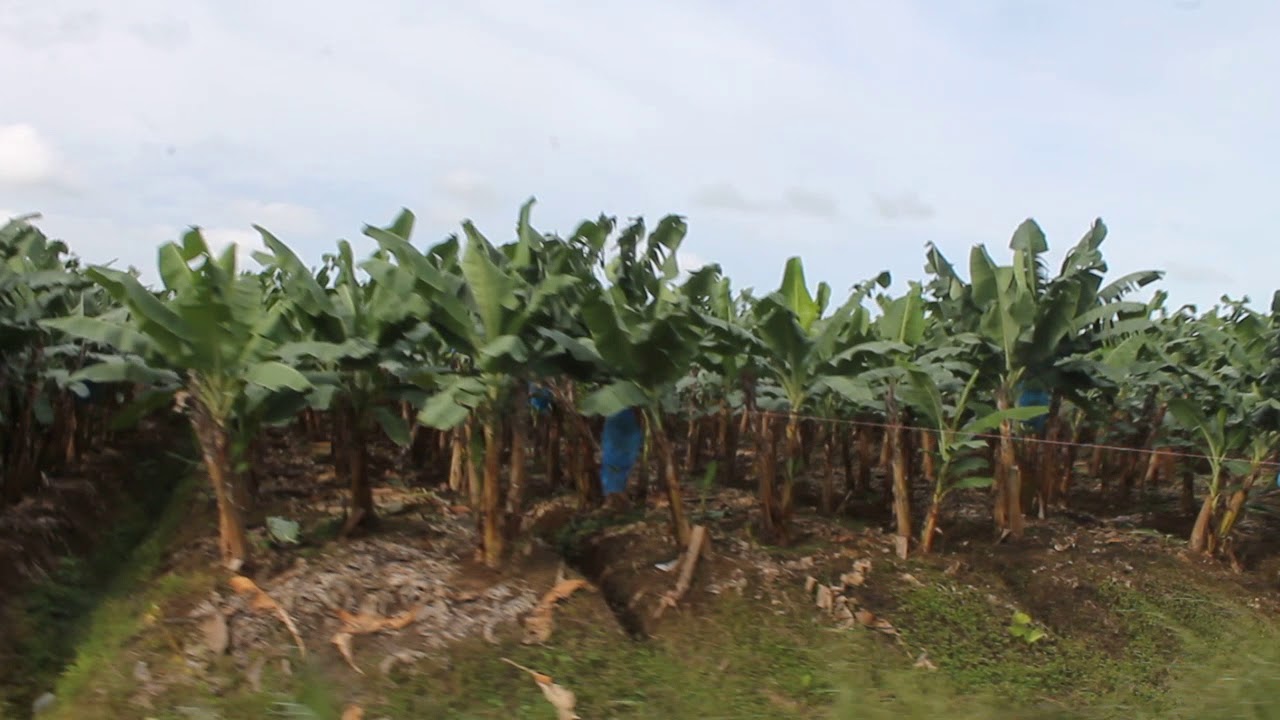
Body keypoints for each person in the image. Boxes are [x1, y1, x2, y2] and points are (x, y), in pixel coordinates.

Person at [600, 407, 644, 511]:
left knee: (615, 471)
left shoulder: (620, 414)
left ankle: (619, 502)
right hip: (619, 449)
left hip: (619, 449)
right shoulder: (625, 413)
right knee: (615, 471)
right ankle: (617, 501)